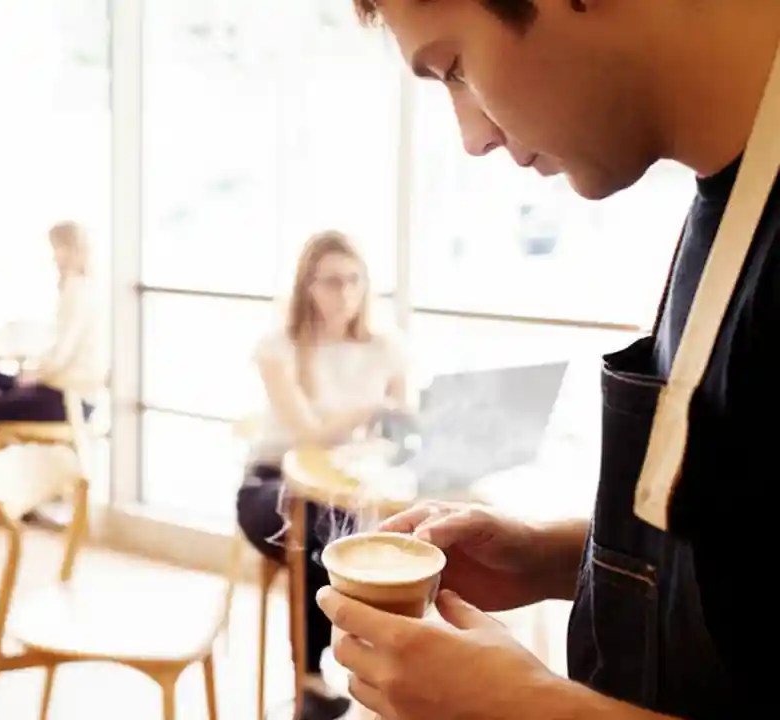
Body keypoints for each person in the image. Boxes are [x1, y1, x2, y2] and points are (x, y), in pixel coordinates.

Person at [316, 2, 779, 719]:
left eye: (457, 66)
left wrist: (523, 707)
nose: (471, 137)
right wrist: (548, 555)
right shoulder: (727, 196)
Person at [236, 230, 408, 720]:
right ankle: (312, 678)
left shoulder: (386, 346)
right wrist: (373, 406)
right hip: (272, 482)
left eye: (355, 281)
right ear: (306, 285)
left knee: (379, 537)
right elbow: (307, 433)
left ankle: (389, 668)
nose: (346, 294)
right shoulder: (279, 348)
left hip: (352, 489)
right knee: (324, 536)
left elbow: (404, 428)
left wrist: (393, 421)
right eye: (332, 282)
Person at [0, 221, 107, 470]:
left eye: (56, 248)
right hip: (73, 395)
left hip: (69, 400)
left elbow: (61, 355)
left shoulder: (76, 291)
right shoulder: (83, 289)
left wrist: (35, 373)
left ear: (71, 250)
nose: (52, 257)